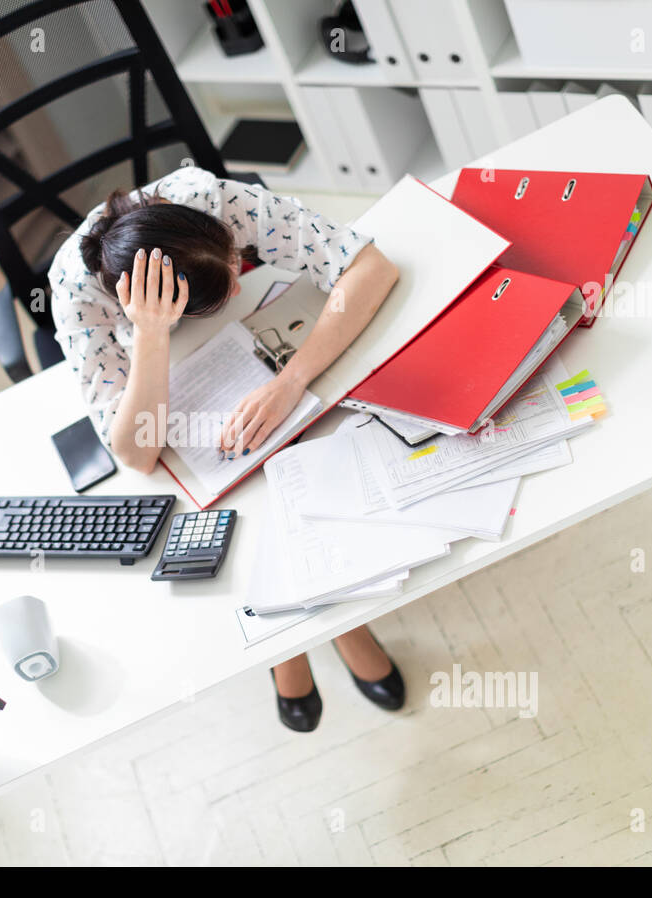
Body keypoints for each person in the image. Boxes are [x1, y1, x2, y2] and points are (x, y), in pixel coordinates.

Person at [49, 164, 405, 732]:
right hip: (174, 378)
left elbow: (371, 266)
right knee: (245, 506)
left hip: (255, 352)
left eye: (238, 261)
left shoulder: (205, 196)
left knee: (306, 469)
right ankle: (323, 632)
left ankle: (300, 637)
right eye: (224, 288)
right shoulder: (75, 293)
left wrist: (289, 383)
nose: (239, 283)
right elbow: (138, 453)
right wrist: (149, 333)